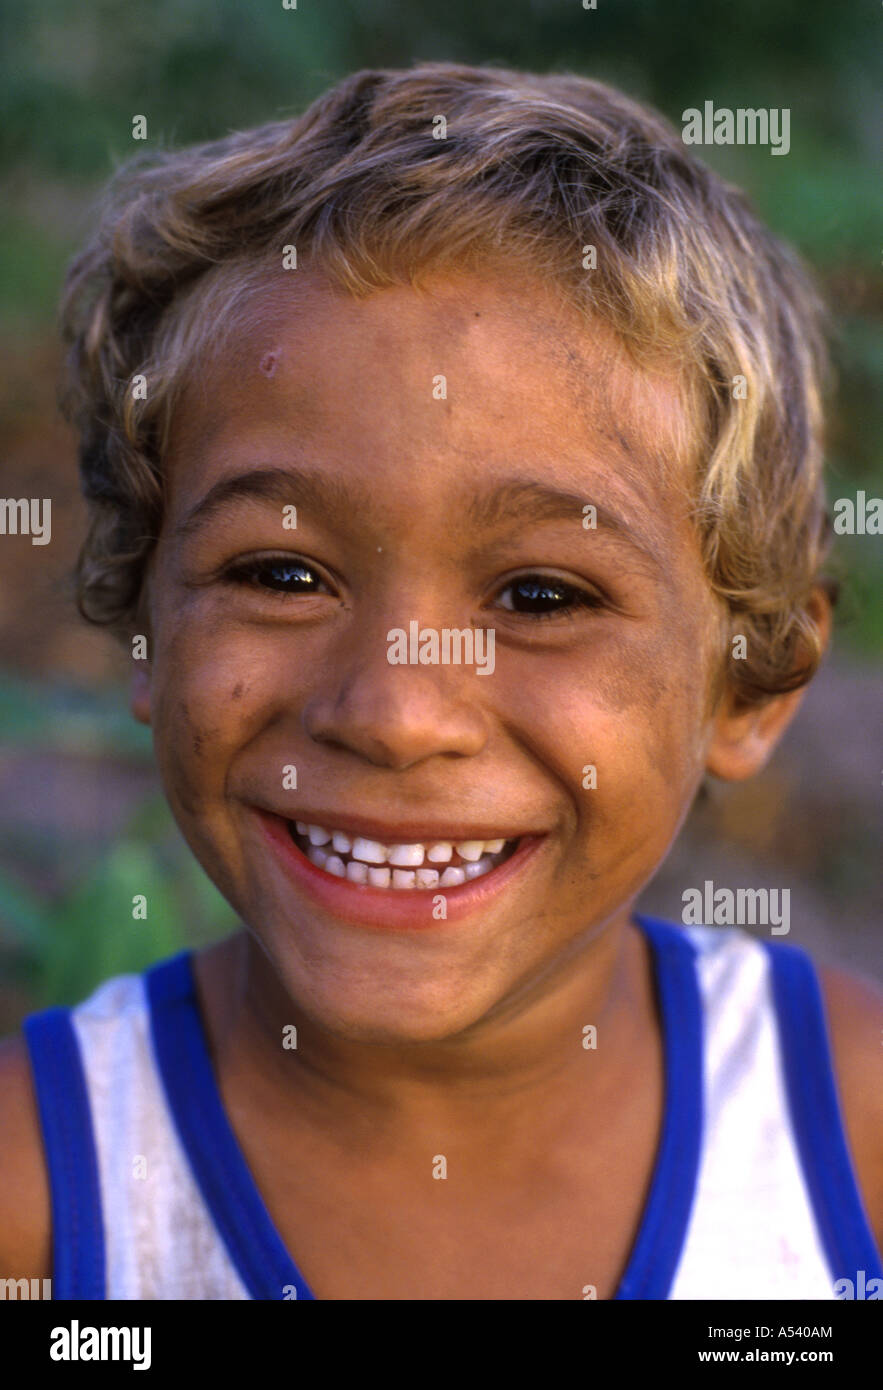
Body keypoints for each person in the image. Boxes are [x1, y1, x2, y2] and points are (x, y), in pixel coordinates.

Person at [1, 61, 881, 1300]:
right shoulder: (42, 1205)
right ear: (145, 619)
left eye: (540, 597)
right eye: (281, 573)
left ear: (753, 684)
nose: (396, 710)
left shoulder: (848, 1142)